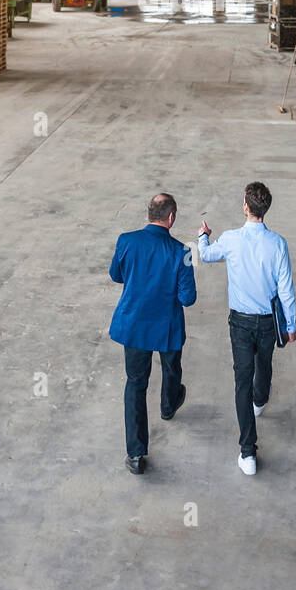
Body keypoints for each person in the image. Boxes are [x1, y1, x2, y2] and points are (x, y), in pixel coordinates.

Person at [198, 182, 296, 476]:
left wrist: (203, 236)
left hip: (240, 322)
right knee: (264, 363)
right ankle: (260, 400)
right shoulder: (278, 244)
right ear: (265, 210)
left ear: (246, 207)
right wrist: (290, 325)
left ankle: (247, 452)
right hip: (268, 321)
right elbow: (287, 291)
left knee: (242, 379)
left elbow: (205, 255)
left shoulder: (230, 239)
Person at [109, 193, 197, 475]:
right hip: (166, 327)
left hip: (134, 325)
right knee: (171, 369)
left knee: (136, 384)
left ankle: (135, 454)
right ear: (170, 218)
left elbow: (116, 275)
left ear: (149, 214)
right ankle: (168, 405)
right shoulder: (181, 252)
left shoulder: (126, 241)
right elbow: (187, 298)